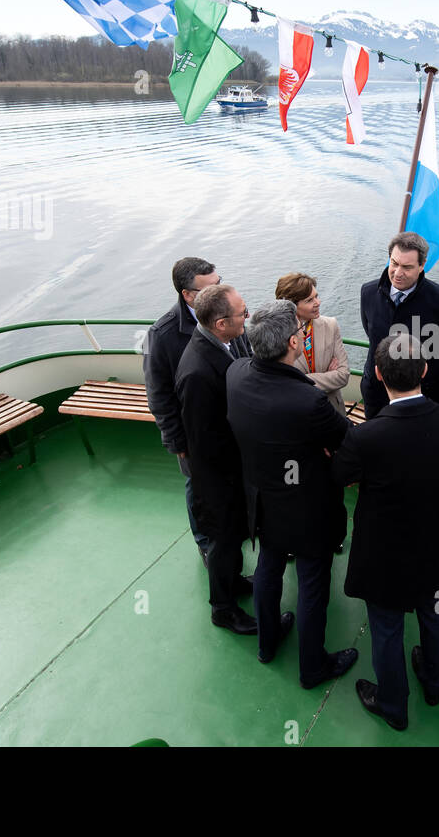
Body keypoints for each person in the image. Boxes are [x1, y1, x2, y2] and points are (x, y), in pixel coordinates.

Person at [332, 334, 439, 730]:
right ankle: (433, 682)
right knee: (437, 615)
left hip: (384, 555)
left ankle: (392, 705)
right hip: (438, 548)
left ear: (376, 374)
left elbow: (340, 475)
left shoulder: (365, 436)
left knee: (387, 630)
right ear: (425, 372)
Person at [226, 300, 357, 688]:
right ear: (293, 343)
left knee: (268, 566)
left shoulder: (236, 374)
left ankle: (266, 644)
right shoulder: (308, 401)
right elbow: (347, 441)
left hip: (264, 502)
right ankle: (312, 668)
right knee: (313, 585)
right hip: (307, 510)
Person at [144, 257, 249, 567]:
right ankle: (207, 543)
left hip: (232, 430)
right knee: (199, 489)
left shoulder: (228, 315)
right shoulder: (163, 335)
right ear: (187, 294)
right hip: (196, 436)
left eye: (219, 282)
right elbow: (158, 392)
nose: (219, 290)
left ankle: (234, 533)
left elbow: (244, 355)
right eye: (210, 288)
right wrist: (177, 443)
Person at [173, 284, 256, 634]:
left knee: (233, 537)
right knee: (222, 543)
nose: (247, 317)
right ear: (221, 323)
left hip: (229, 474)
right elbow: (205, 441)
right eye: (241, 313)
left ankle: (234, 582)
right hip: (220, 479)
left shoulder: (216, 344)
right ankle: (222, 608)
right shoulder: (197, 372)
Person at [358, 232, 439, 420]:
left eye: (407, 267)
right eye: (394, 263)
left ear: (422, 266)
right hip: (376, 390)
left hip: (425, 392)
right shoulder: (368, 292)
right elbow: (371, 332)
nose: (398, 273)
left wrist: (424, 369)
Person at [275, 272, 350, 416]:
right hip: (298, 414)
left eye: (316, 296)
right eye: (310, 300)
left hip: (333, 410)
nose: (318, 302)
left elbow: (343, 375)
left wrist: (300, 380)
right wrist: (326, 375)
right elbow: (281, 384)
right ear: (291, 306)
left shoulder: (330, 325)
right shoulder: (276, 337)